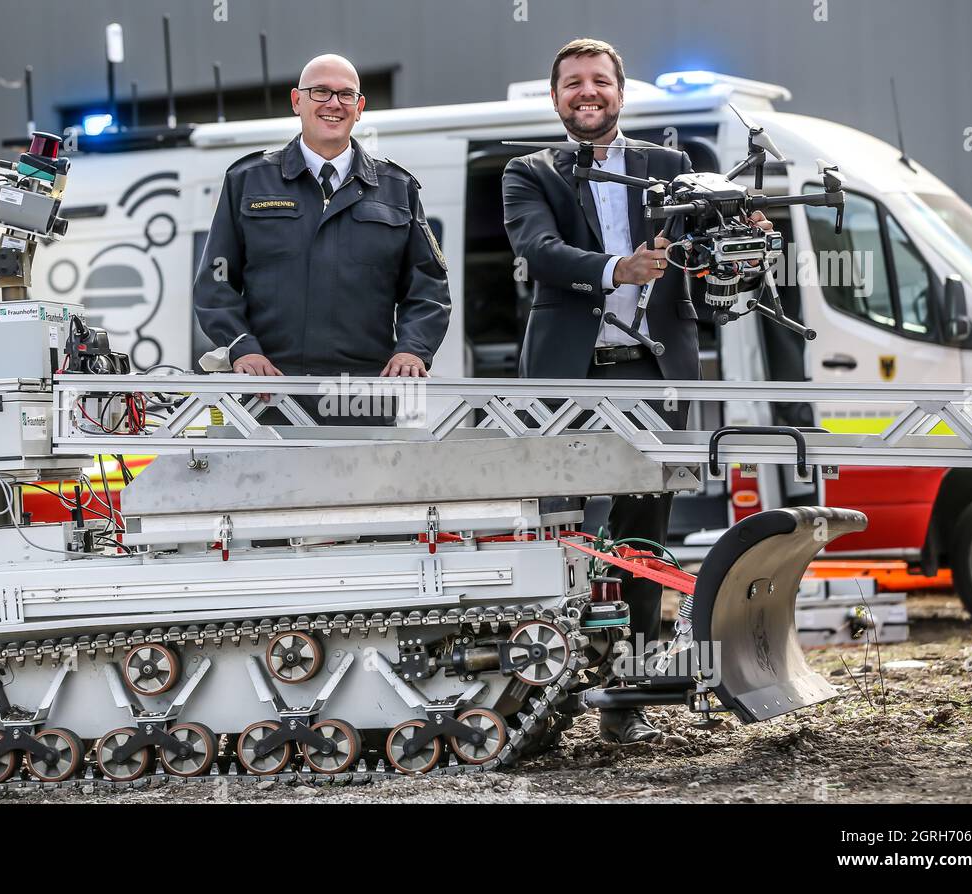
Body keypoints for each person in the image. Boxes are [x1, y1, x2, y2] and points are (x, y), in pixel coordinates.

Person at [503, 38, 772, 743]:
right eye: (572, 83)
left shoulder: (673, 167)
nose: (586, 92)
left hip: (653, 374)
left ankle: (629, 700)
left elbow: (715, 267)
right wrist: (616, 269)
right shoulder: (530, 171)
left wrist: (746, 241)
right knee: (558, 533)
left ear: (620, 94)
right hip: (569, 378)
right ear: (554, 96)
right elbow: (538, 252)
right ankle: (549, 702)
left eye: (599, 81)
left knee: (644, 537)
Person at [193, 53, 451, 412]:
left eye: (346, 95)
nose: (334, 104)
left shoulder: (397, 187)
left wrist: (413, 349)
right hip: (269, 395)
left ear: (359, 107)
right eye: (320, 92)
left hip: (366, 396)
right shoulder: (248, 181)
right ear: (297, 101)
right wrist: (241, 347)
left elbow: (428, 287)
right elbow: (215, 284)